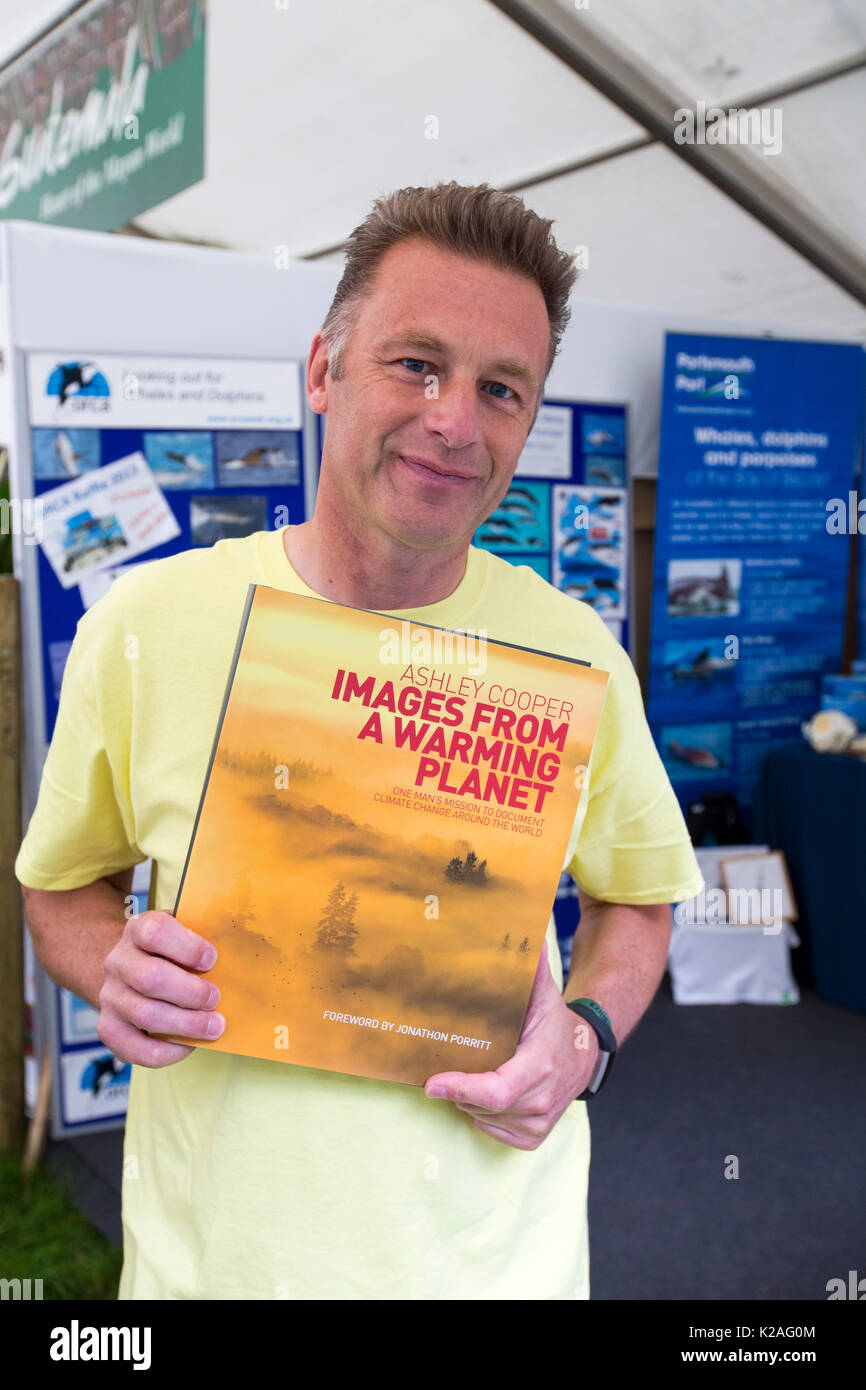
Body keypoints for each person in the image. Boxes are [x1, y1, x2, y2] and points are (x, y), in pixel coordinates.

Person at [16, 181, 704, 1300]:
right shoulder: (144, 627)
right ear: (323, 369)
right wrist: (114, 966)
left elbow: (637, 896)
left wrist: (583, 1037)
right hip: (214, 1271)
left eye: (499, 389)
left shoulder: (576, 653)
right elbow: (61, 892)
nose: (452, 420)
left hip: (496, 1272)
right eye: (415, 364)